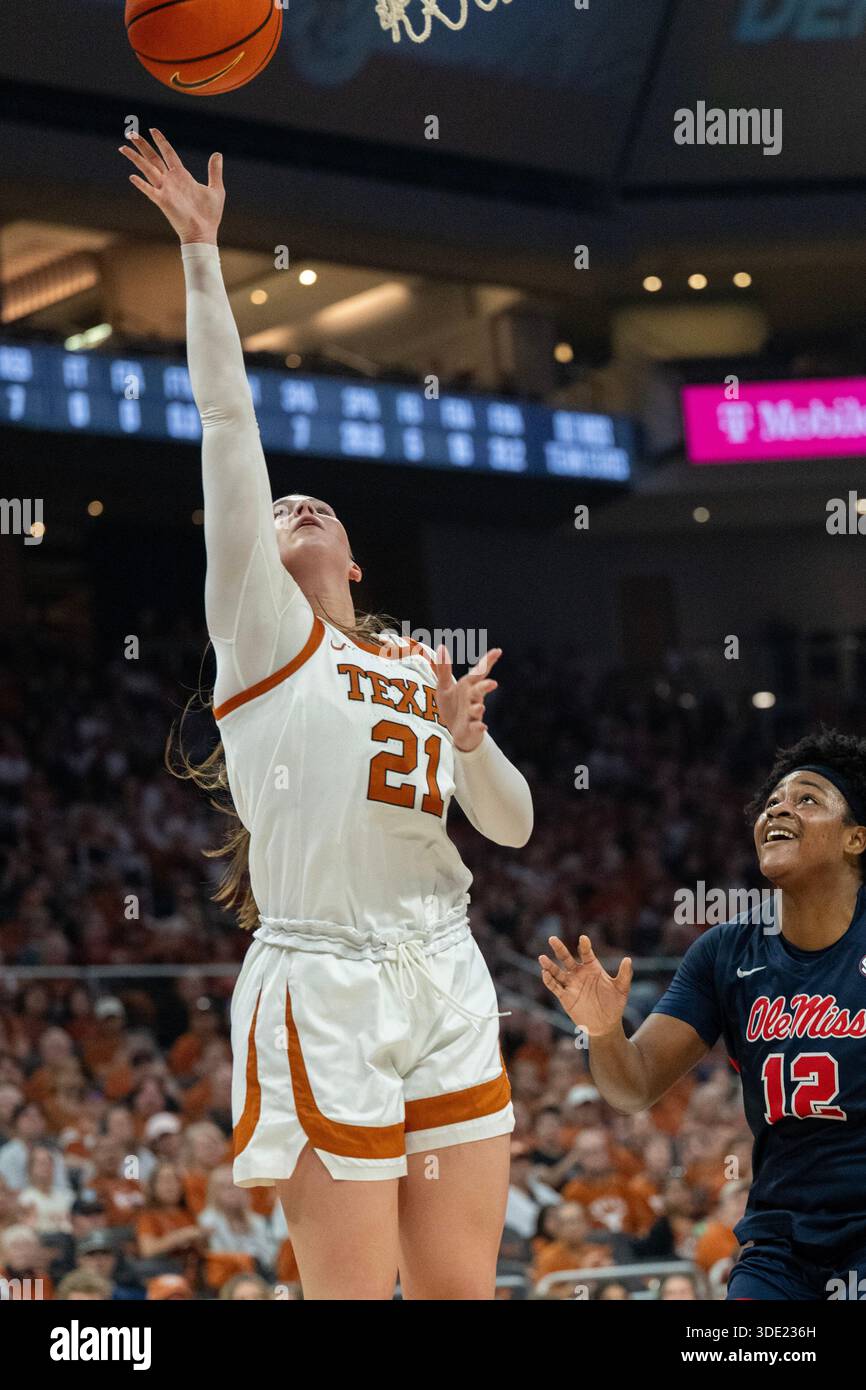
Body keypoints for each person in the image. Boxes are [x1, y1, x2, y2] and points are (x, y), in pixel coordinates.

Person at [119, 129, 532, 1301]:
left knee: (459, 1293)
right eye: (283, 504)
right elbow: (228, 426)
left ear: (353, 560)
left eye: (321, 505)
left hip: (443, 967)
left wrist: (470, 738)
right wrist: (203, 255)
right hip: (324, 983)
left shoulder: (420, 667)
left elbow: (509, 829)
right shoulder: (259, 633)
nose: (295, 503)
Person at [540, 731, 866, 1301]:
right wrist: (603, 1030)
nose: (781, 808)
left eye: (809, 799)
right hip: (780, 1245)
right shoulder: (726, 951)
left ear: (856, 838)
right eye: (772, 803)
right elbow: (634, 1087)